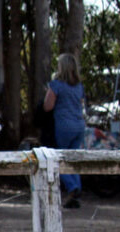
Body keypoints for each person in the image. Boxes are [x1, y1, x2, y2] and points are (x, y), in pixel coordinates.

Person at [44, 53, 86, 209]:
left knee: (59, 158)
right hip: (79, 126)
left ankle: (72, 187)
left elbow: (48, 106)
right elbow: (81, 103)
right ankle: (76, 189)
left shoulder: (56, 85)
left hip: (64, 126)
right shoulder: (79, 86)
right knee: (73, 159)